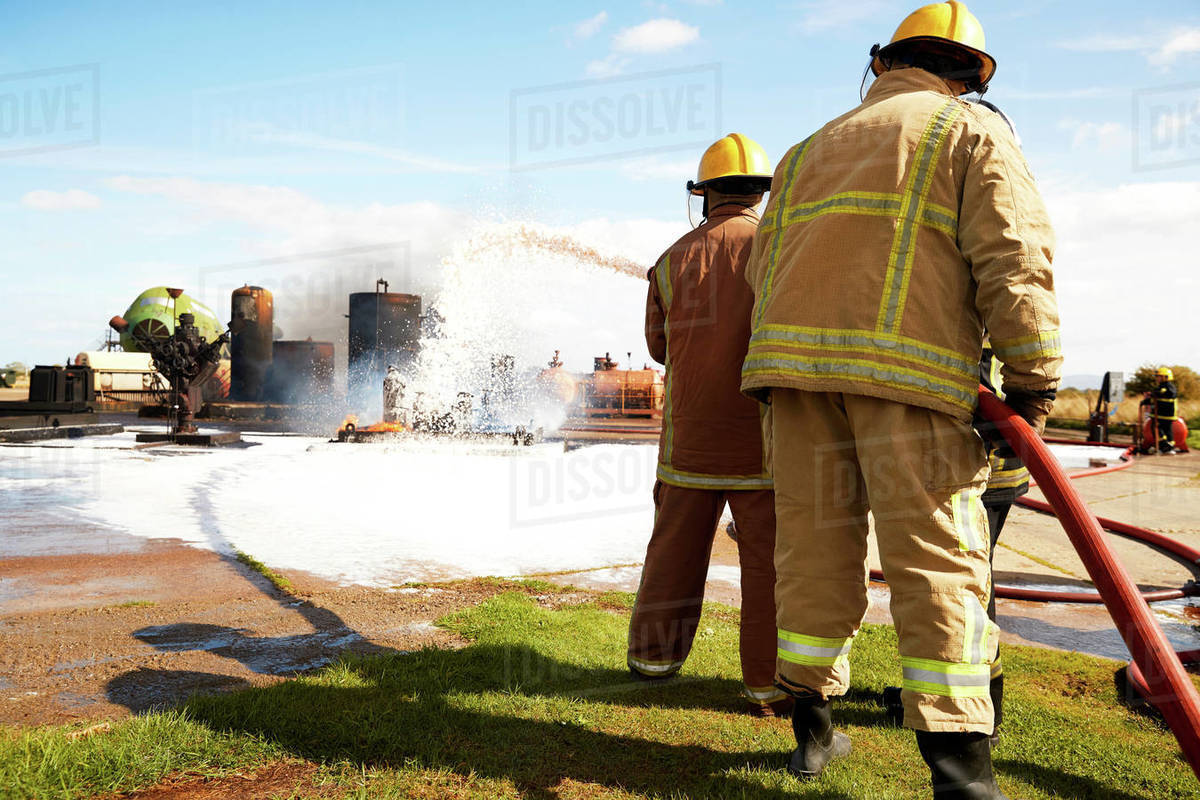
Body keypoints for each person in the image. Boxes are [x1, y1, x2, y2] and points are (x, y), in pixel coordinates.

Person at [742, 2, 1061, 796]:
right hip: (911, 384)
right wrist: (1032, 380)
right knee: (937, 567)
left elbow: (762, 273)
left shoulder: (806, 147)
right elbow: (1014, 258)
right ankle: (962, 776)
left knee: (811, 555)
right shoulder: (971, 132)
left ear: (881, 63)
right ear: (970, 77)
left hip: (795, 382)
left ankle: (812, 736)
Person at [627, 133, 791, 717]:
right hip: (764, 447)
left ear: (704, 193)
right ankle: (768, 687)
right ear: (762, 194)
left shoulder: (671, 259)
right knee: (769, 570)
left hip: (688, 444)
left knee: (672, 553)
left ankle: (653, 661)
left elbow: (659, 348)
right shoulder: (782, 249)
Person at [1147, 367, 1179, 454]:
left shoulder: (1169, 386)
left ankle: (1165, 445)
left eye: (1159, 376)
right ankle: (1167, 447)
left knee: (1158, 428)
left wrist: (1159, 392)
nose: (1157, 378)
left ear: (1166, 377)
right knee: (1164, 430)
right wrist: (1147, 400)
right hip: (1160, 413)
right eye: (1157, 376)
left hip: (1166, 413)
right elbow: (1156, 398)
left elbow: (1171, 394)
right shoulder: (1160, 387)